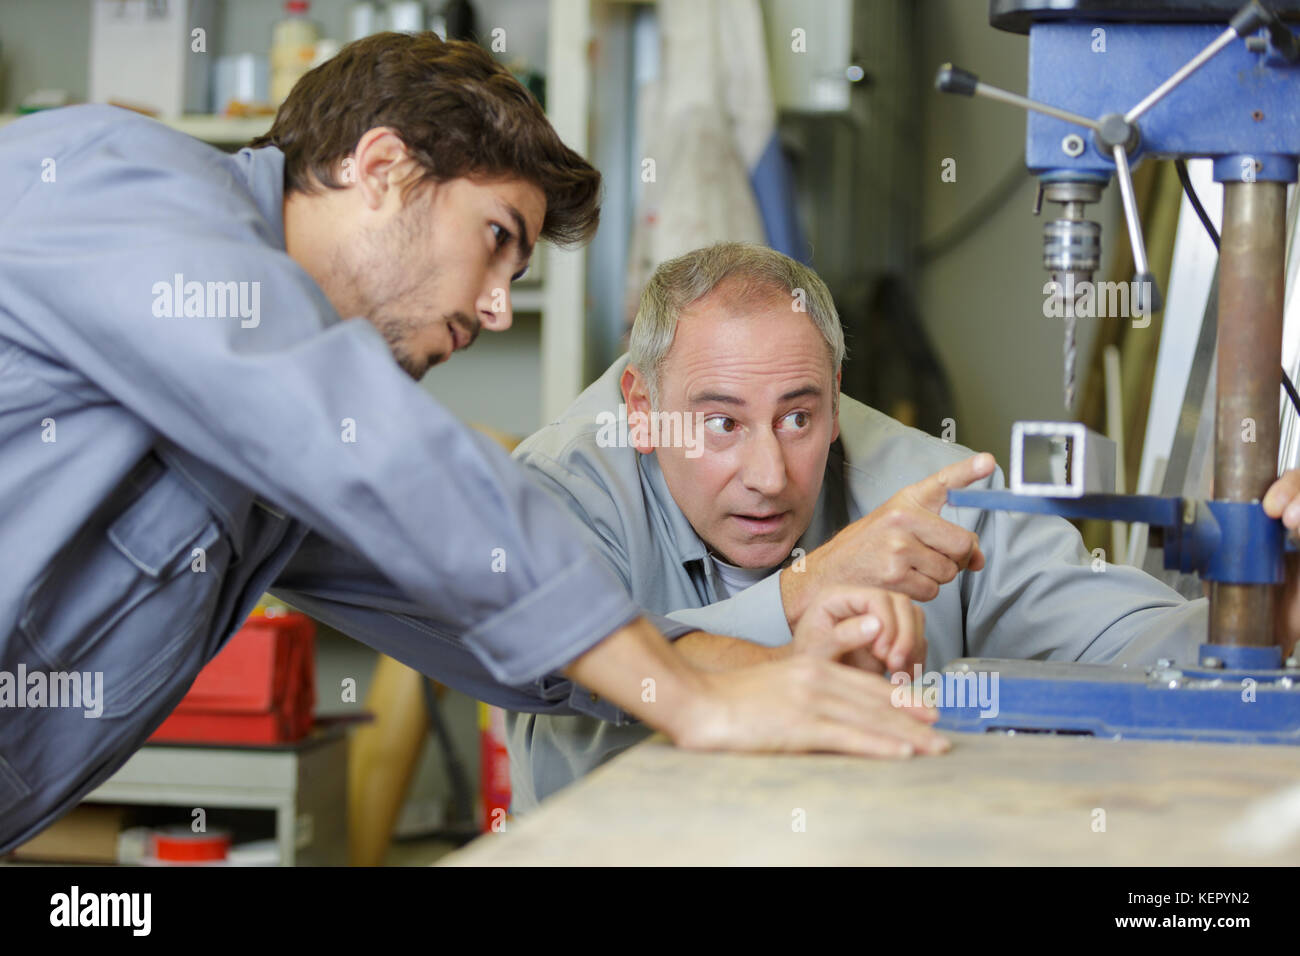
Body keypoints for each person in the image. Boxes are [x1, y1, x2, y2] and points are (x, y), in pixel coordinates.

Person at [0, 36, 933, 854]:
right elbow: (389, 456)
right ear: (382, 169)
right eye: (495, 238)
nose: (495, 306)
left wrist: (786, 677)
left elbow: (522, 649)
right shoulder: (119, 179)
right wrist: (698, 707)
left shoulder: (285, 470)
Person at [505, 240, 1300, 811]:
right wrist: (806, 589)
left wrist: (1274, 613)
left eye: (799, 417)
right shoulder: (561, 492)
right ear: (642, 410)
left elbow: (1120, 643)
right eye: (720, 424)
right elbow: (586, 666)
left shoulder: (922, 486)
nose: (768, 475)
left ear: (836, 390)